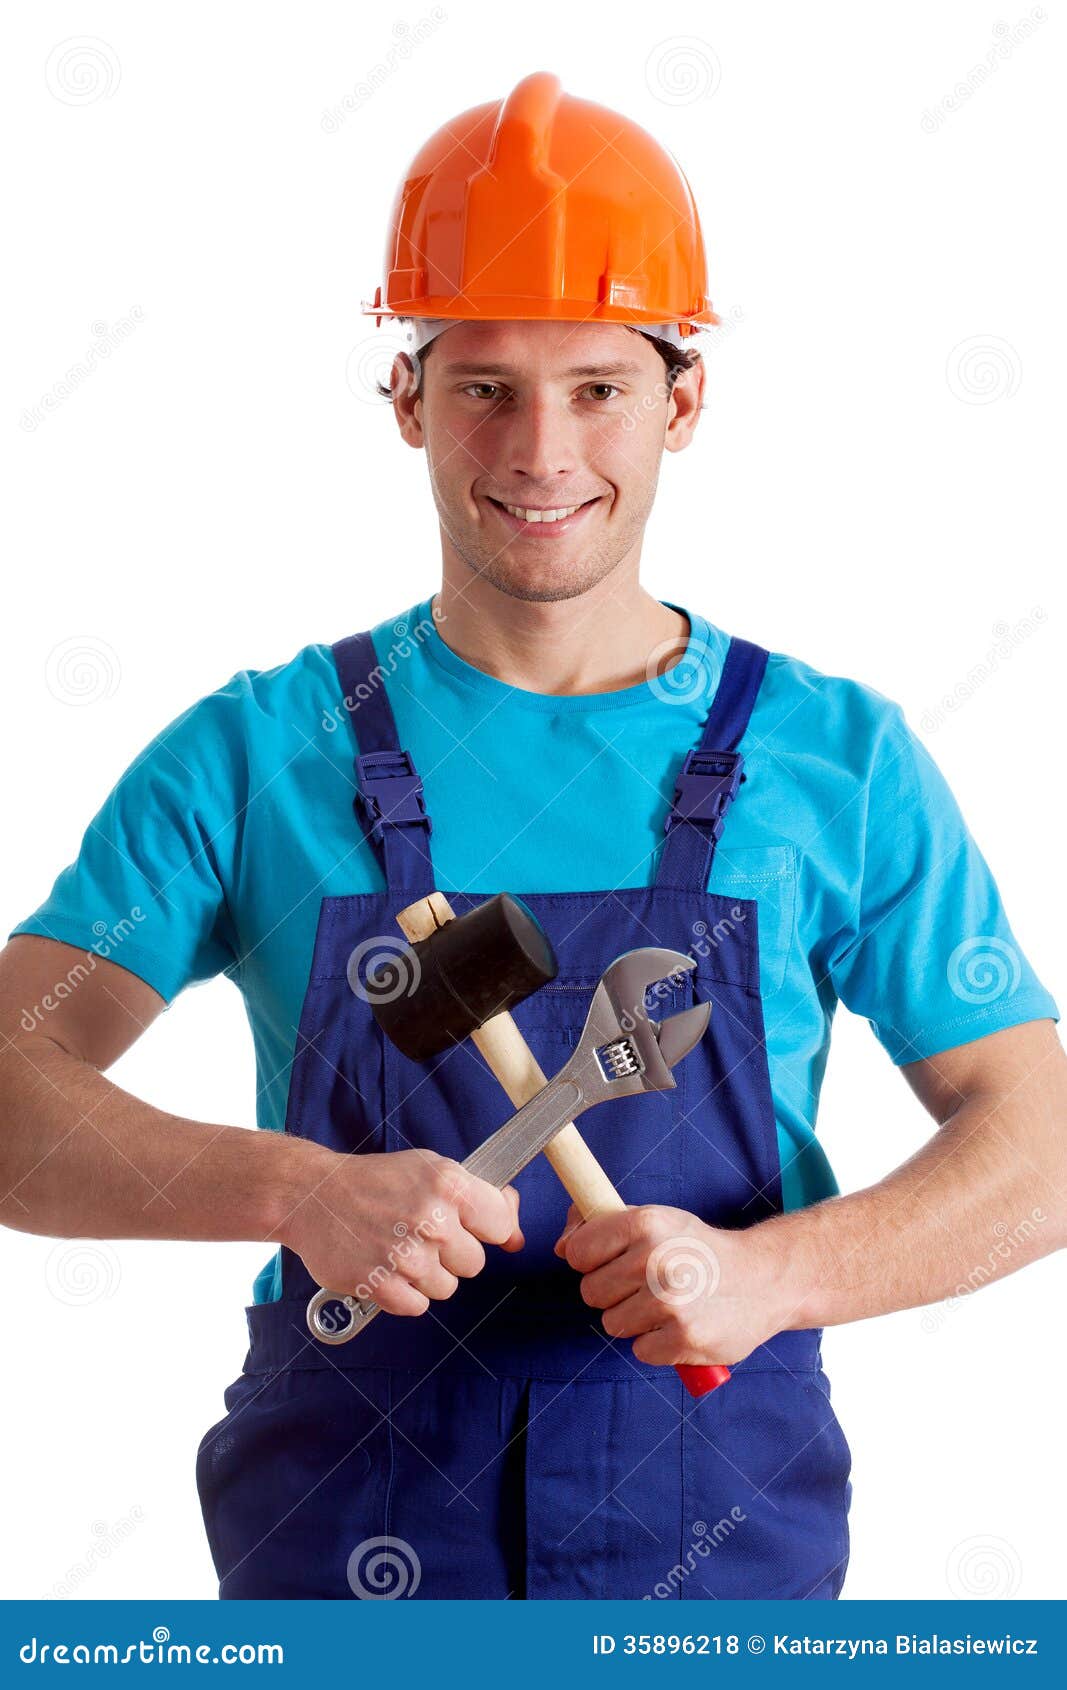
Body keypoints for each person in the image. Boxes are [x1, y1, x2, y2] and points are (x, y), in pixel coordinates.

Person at [1, 71, 1063, 1603]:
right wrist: (296, 1191)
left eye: (599, 385)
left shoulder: (835, 763)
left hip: (714, 1551)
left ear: (682, 399)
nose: (541, 449)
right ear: (408, 400)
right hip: (343, 1551)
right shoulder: (256, 754)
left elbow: (1040, 1141)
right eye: (486, 383)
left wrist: (772, 1272)